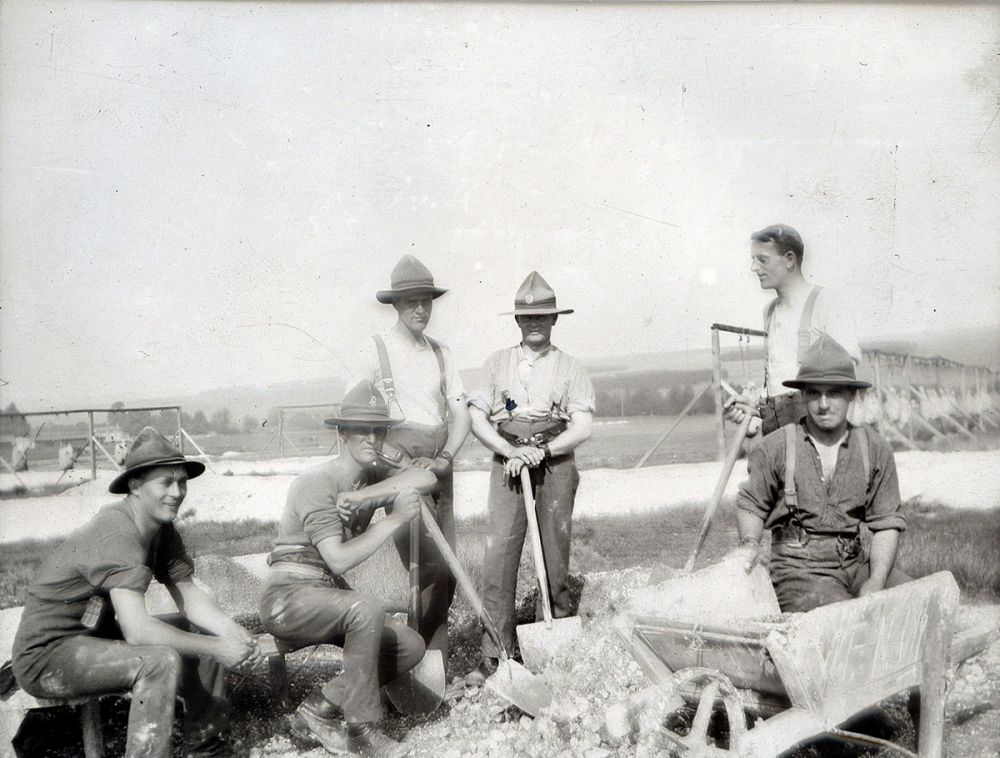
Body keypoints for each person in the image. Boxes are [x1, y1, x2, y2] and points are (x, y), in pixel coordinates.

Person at [12, 427, 259, 757]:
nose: (177, 492)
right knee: (159, 662)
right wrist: (218, 647)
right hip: (47, 656)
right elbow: (138, 630)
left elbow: (188, 593)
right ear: (135, 485)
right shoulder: (119, 530)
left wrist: (230, 632)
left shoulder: (161, 528)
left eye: (182, 482)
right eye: (166, 482)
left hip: (94, 639)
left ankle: (207, 747)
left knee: (204, 632)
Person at [258, 380, 434, 757]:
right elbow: (337, 559)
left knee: (409, 646)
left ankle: (317, 709)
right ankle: (361, 730)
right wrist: (393, 519)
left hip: (327, 595)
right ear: (342, 433)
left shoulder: (367, 479)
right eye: (361, 430)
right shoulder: (315, 482)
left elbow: (426, 477)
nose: (372, 438)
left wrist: (365, 495)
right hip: (288, 598)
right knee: (366, 606)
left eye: (378, 431)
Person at [465, 272, 595, 684]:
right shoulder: (496, 363)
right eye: (527, 317)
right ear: (517, 321)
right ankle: (495, 655)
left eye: (542, 316)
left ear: (554, 319)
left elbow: (582, 426)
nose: (534, 323)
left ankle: (553, 654)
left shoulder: (570, 367)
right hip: (508, 460)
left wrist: (544, 450)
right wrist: (511, 452)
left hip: (555, 460)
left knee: (555, 555)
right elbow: (476, 417)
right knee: (498, 557)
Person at [730, 336, 910, 613]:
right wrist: (750, 544)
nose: (823, 404)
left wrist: (876, 580)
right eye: (814, 393)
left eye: (834, 392)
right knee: (840, 617)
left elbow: (886, 523)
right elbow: (750, 504)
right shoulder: (777, 446)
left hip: (854, 563)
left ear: (851, 394)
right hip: (797, 569)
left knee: (916, 598)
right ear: (802, 395)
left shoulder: (875, 448)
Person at [354, 254, 470, 668]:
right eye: (410, 302)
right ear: (396, 305)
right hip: (397, 467)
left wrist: (445, 457)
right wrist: (391, 458)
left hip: (439, 465)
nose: (420, 309)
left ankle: (431, 661)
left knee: (447, 568)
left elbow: (460, 413)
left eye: (426, 301)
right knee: (428, 564)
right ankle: (411, 659)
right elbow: (353, 418)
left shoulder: (442, 353)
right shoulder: (376, 349)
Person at [726, 224, 863, 436]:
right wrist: (753, 406)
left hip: (819, 434)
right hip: (776, 432)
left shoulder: (827, 303)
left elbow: (848, 380)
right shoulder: (769, 311)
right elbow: (779, 381)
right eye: (753, 259)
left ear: (789, 259)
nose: (753, 267)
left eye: (762, 259)